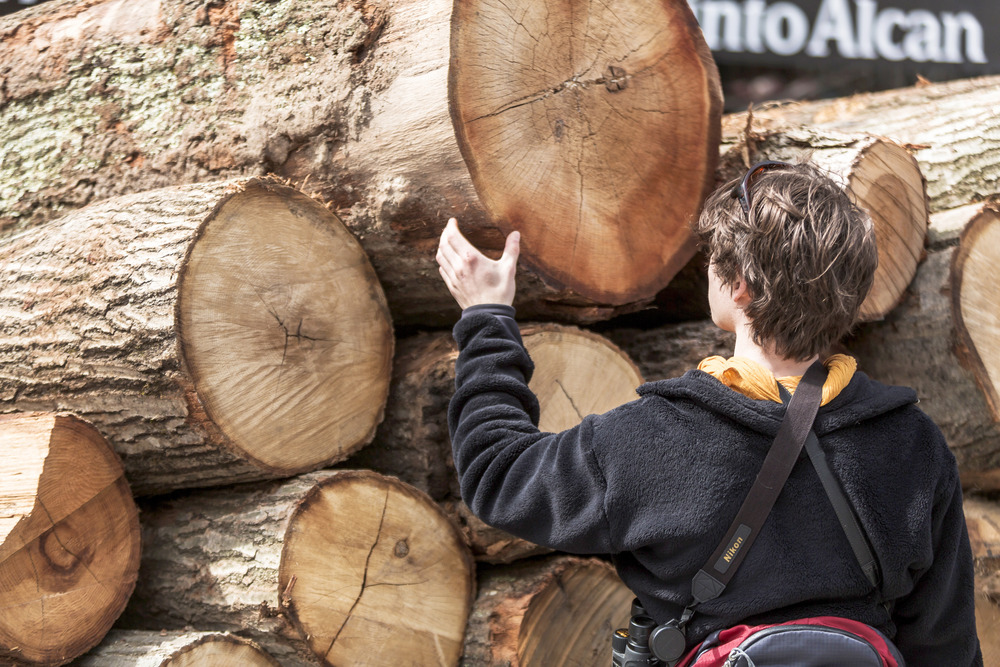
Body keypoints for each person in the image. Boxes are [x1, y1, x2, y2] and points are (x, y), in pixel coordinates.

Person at [435, 160, 982, 665]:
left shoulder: (655, 439)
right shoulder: (914, 445)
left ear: (740, 285)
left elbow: (497, 475)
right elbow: (945, 644)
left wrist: (487, 317)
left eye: (714, 258)